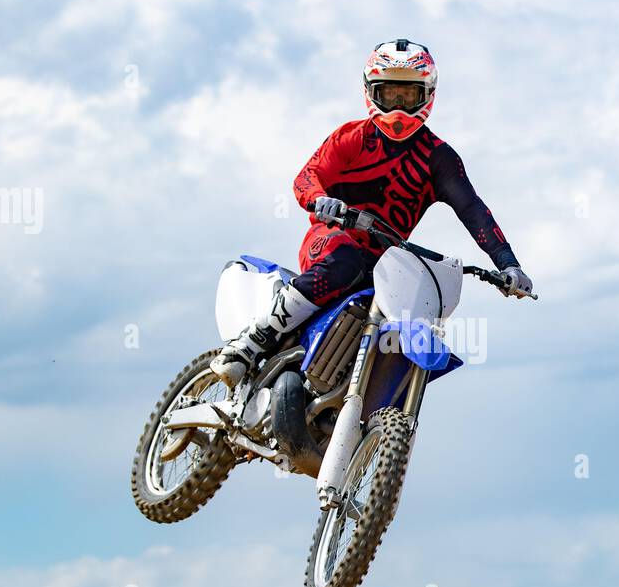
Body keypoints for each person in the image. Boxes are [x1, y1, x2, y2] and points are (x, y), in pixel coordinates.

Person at [211, 39, 534, 388]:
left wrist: (508, 264)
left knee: (409, 307)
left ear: (427, 95)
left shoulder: (439, 158)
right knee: (346, 261)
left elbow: (473, 209)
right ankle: (252, 341)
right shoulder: (351, 137)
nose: (398, 107)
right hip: (331, 241)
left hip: (384, 263)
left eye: (407, 96)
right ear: (371, 93)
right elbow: (307, 177)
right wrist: (320, 200)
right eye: (389, 94)